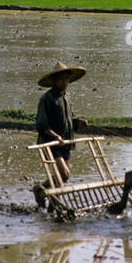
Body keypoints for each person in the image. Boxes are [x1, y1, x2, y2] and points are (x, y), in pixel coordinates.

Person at [33, 62, 91, 197]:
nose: (64, 81)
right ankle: (40, 189)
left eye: (66, 79)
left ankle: (52, 207)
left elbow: (69, 120)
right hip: (50, 143)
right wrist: (55, 137)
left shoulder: (66, 97)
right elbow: (41, 124)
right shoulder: (47, 98)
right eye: (61, 79)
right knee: (63, 175)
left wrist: (78, 122)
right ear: (54, 80)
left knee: (64, 177)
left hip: (65, 143)